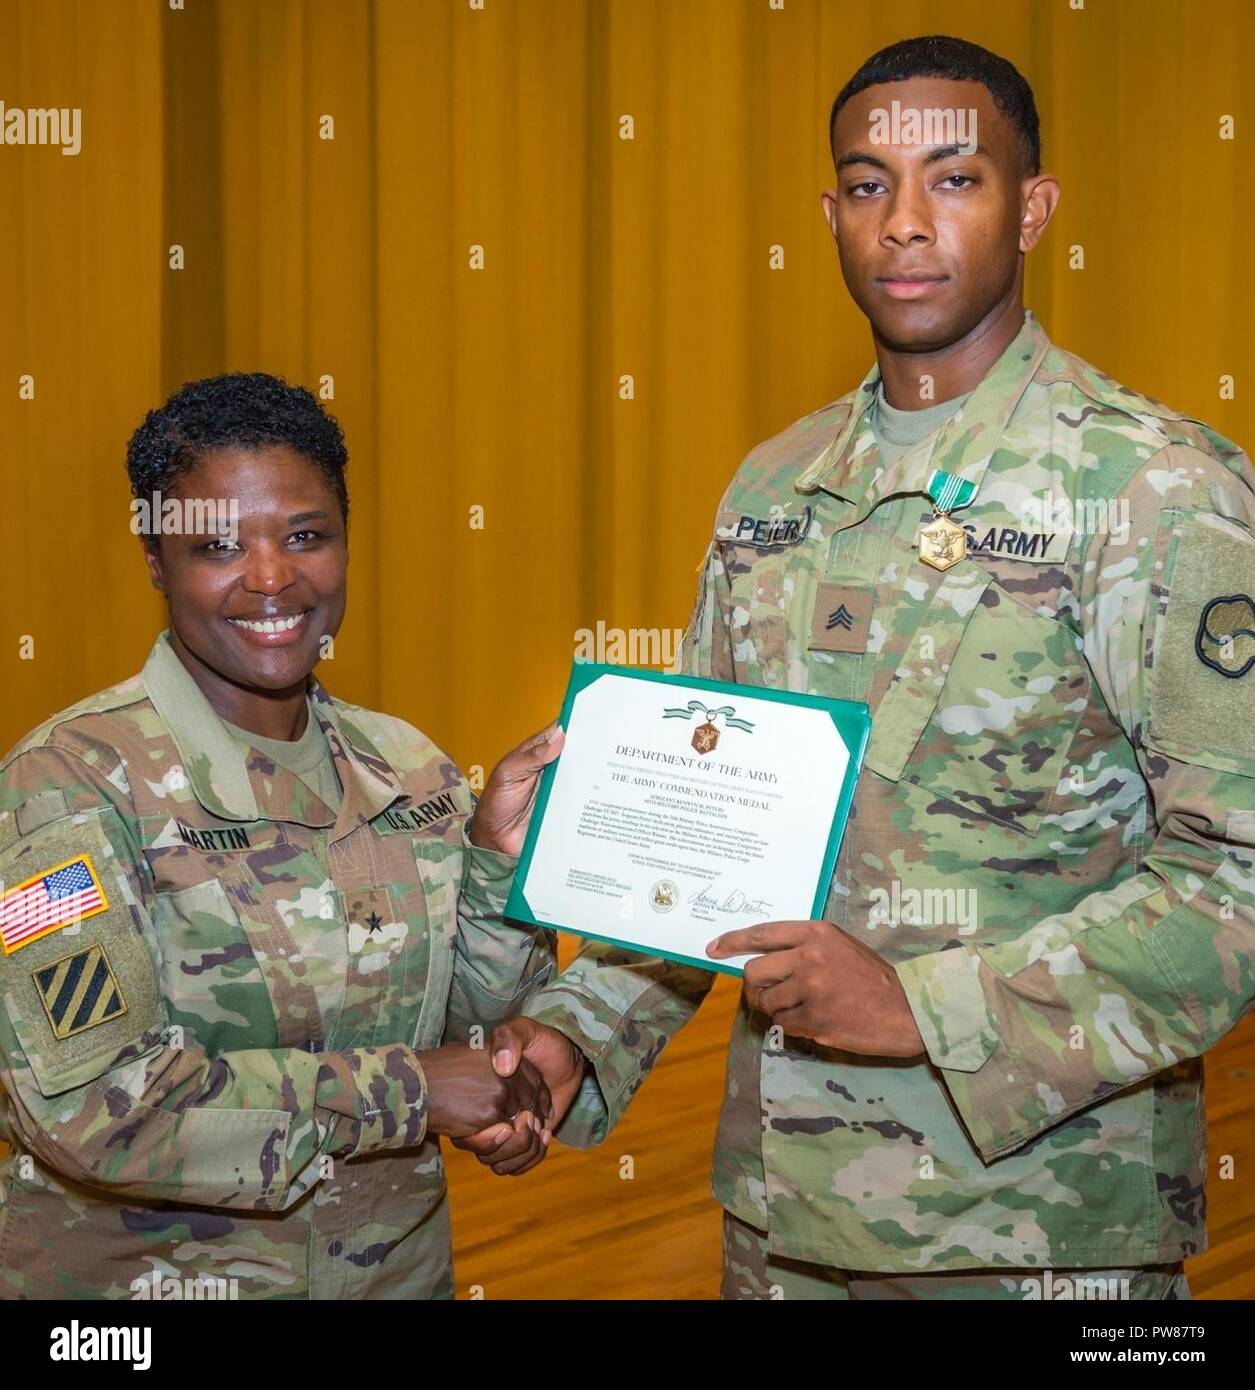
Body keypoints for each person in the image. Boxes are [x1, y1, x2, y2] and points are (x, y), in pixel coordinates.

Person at [465, 35, 1255, 1299]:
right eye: (869, 184)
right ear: (829, 215)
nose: (904, 224)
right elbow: (705, 853)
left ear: (1033, 207)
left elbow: (1232, 887)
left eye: (954, 179)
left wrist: (919, 1006)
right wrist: (575, 1039)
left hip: (1038, 1236)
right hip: (781, 1224)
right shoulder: (777, 486)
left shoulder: (1155, 492)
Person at [0, 372, 561, 1300]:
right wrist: (416, 1090)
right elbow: (95, 1108)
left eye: (305, 536)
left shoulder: (408, 764)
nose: (270, 577)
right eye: (218, 545)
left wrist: (498, 872)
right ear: (153, 559)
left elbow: (472, 1029)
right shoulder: (65, 785)